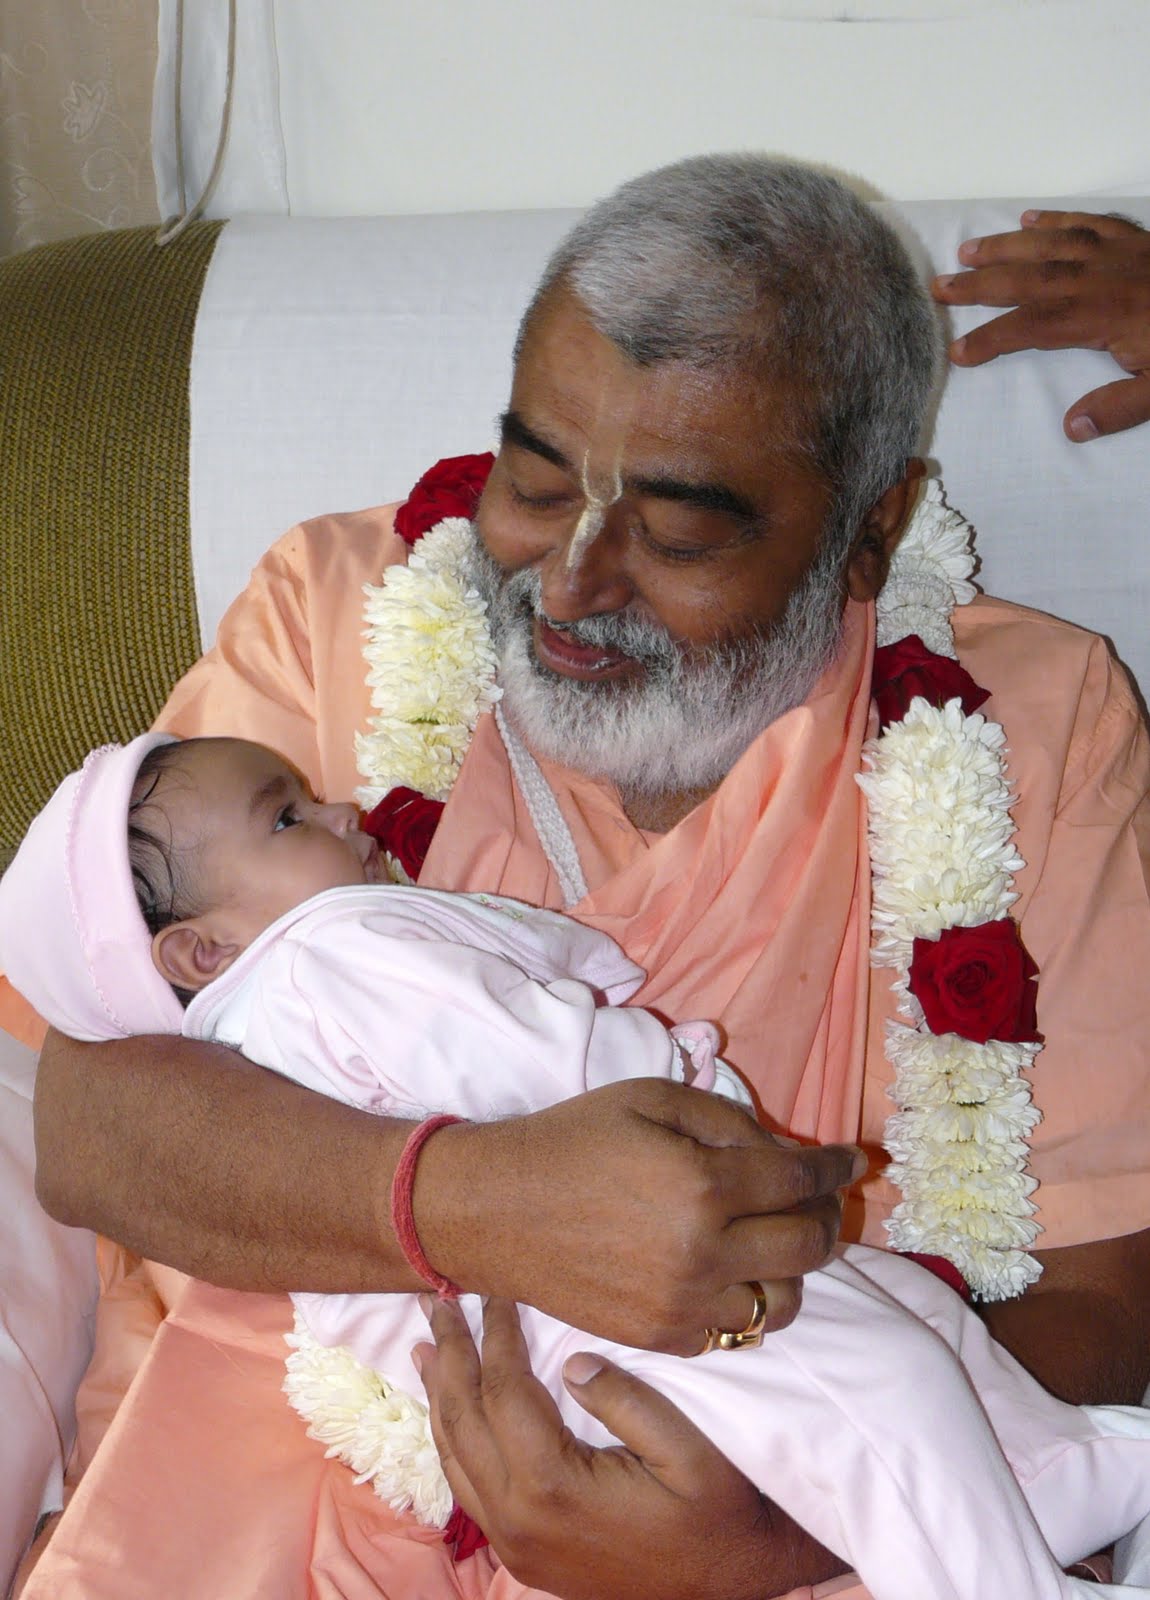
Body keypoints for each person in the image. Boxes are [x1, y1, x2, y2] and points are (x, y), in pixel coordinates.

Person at [17, 156, 1150, 1600]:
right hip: (292, 1486)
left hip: (821, 1489)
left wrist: (760, 1532)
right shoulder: (337, 609)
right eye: (535, 483)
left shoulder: (1037, 718)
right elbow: (93, 1112)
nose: (566, 583)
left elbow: (1101, 1288)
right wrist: (472, 1203)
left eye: (676, 534)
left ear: (869, 530)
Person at [5, 729, 1148, 1599]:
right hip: (605, 1294)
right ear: (201, 948)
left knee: (907, 1329)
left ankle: (1061, 1482)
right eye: (289, 818)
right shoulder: (328, 956)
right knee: (886, 1380)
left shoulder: (273, 1004)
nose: (344, 808)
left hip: (563, 1327)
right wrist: (663, 1062)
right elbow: (531, 1074)